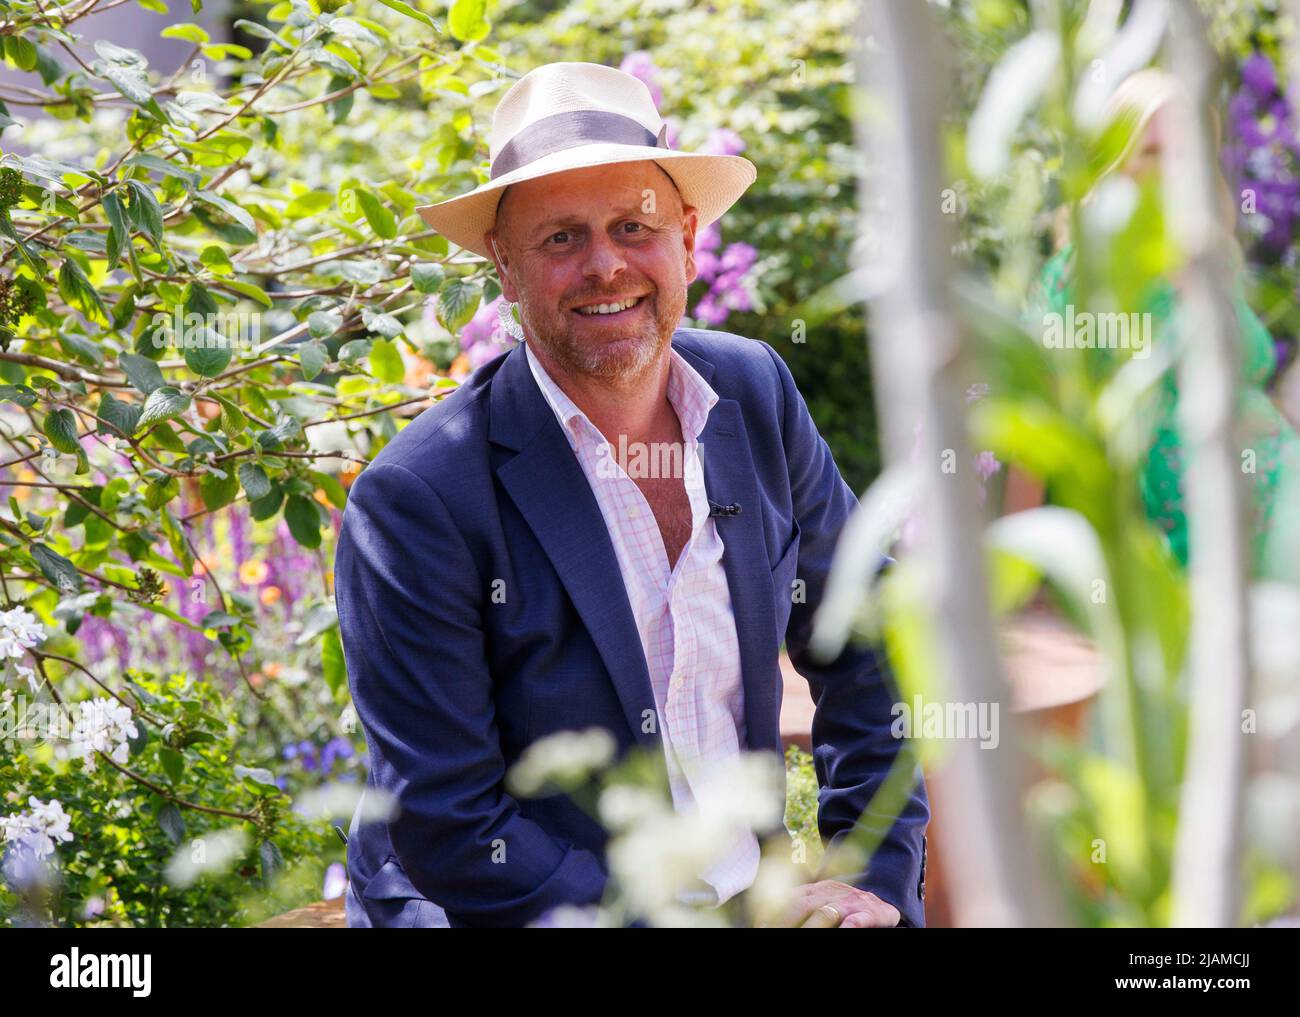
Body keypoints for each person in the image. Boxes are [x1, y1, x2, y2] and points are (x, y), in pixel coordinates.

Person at [333, 61, 929, 928]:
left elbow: (871, 645)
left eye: (631, 225)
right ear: (504, 265)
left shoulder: (754, 394)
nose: (606, 264)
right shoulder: (418, 499)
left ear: (687, 237)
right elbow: (452, 825)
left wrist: (870, 883)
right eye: (561, 238)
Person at [1034, 69, 1300, 578]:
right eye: (1153, 152)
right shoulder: (1083, 275)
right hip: (1199, 555)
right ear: (1115, 161)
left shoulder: (1209, 260)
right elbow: (1039, 416)